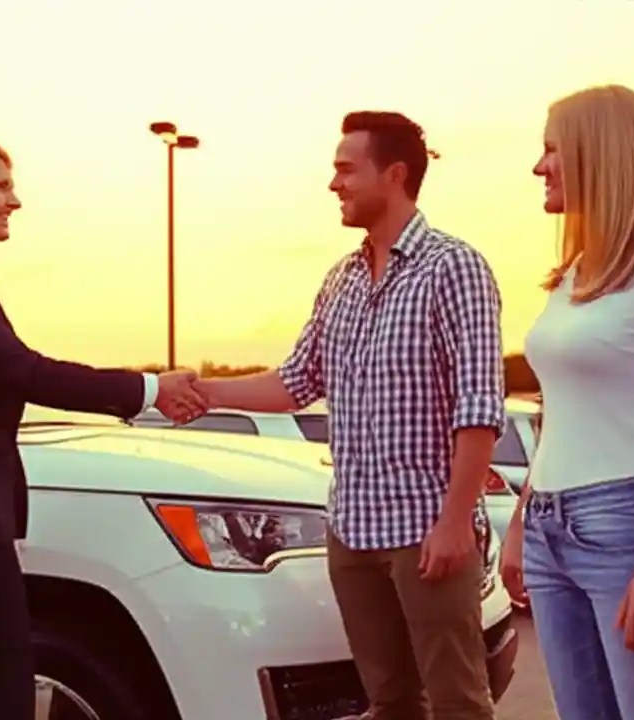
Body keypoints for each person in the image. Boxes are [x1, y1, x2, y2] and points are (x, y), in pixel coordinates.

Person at [0, 138, 206, 720]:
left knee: (8, 689)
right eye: (0, 186)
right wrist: (150, 389)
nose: (15, 201)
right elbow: (22, 371)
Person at [197, 111, 505, 720]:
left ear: (393, 175)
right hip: (353, 532)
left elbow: (479, 406)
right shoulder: (340, 279)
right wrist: (201, 392)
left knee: (459, 703)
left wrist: (452, 524)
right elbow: (294, 382)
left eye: (345, 169)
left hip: (426, 532)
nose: (333, 184)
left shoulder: (454, 268)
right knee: (389, 704)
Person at [497, 85, 634, 720]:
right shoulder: (572, 276)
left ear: (599, 153)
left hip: (628, 521)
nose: (539, 167)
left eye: (551, 150)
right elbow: (562, 414)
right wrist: (520, 525)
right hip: (548, 523)